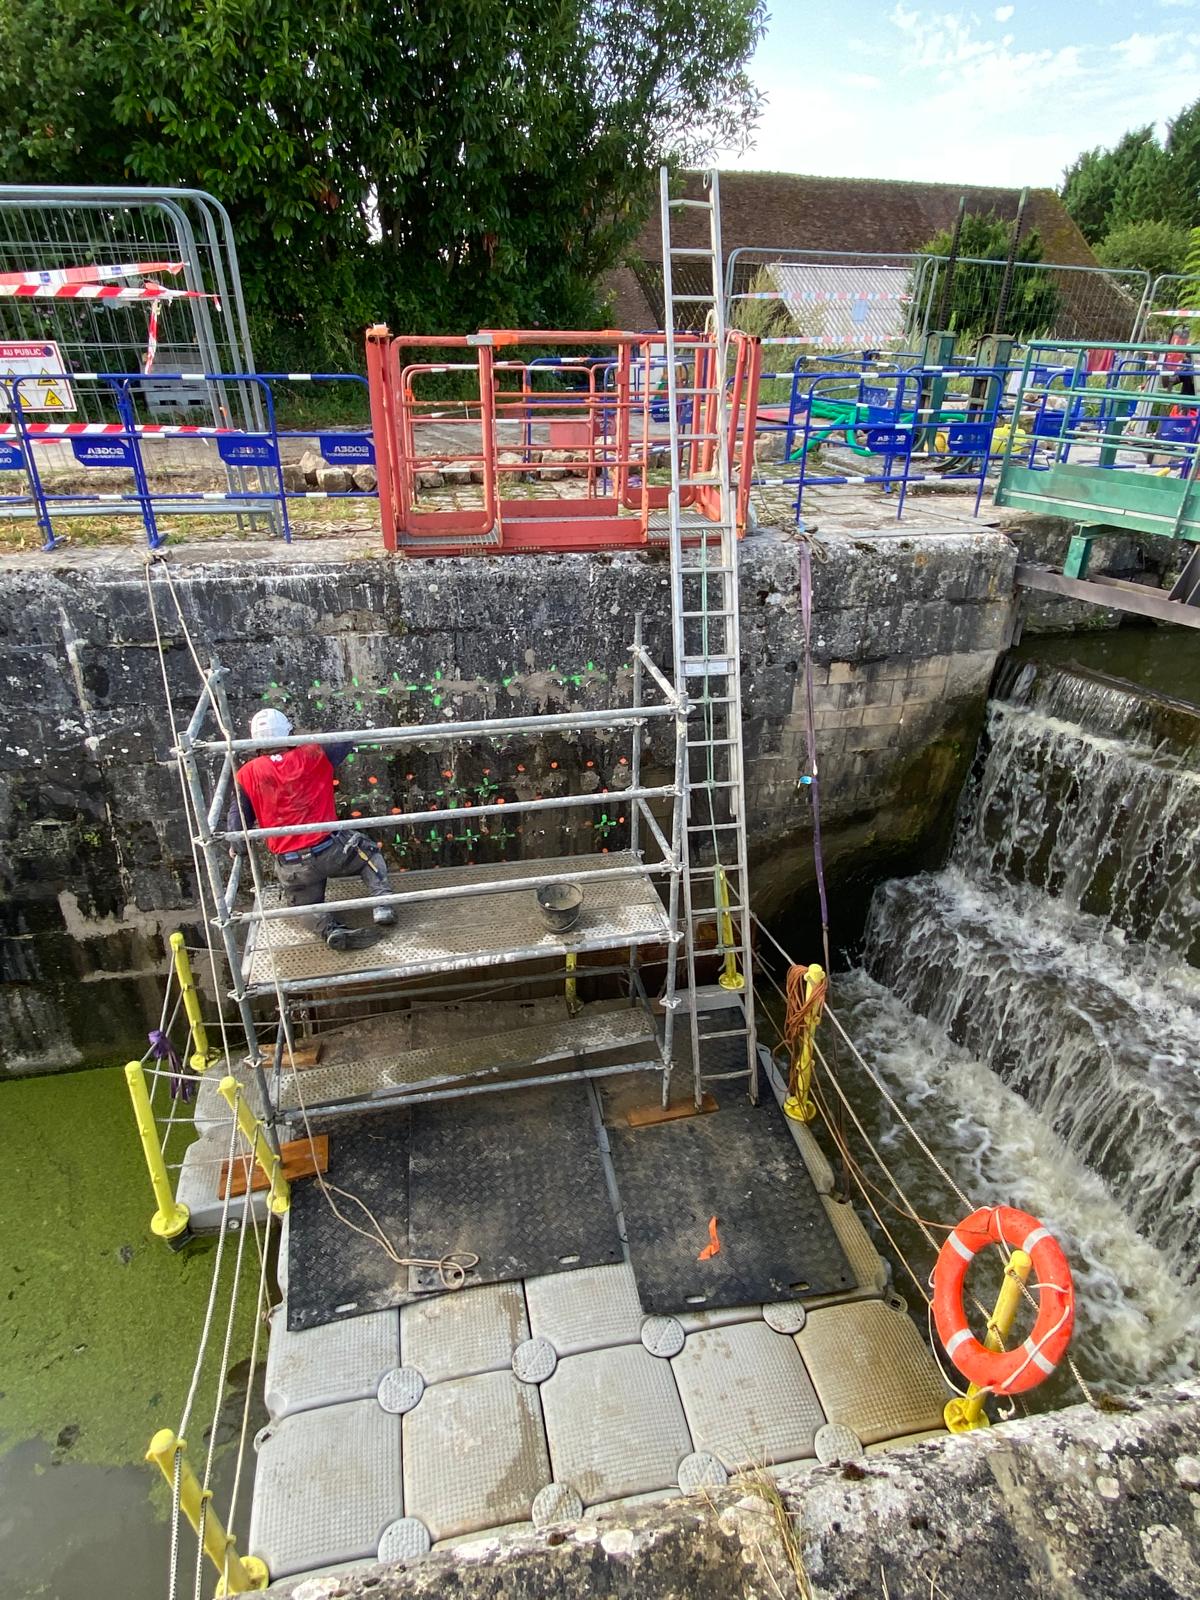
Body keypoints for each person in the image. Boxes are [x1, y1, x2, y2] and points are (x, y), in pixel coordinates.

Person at [228, 708, 396, 952]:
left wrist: (237, 847)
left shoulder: (247, 774)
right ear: (289, 734)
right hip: (331, 850)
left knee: (302, 907)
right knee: (368, 852)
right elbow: (346, 738)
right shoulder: (314, 752)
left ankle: (329, 929)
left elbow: (238, 818)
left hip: (292, 864)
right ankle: (383, 904)